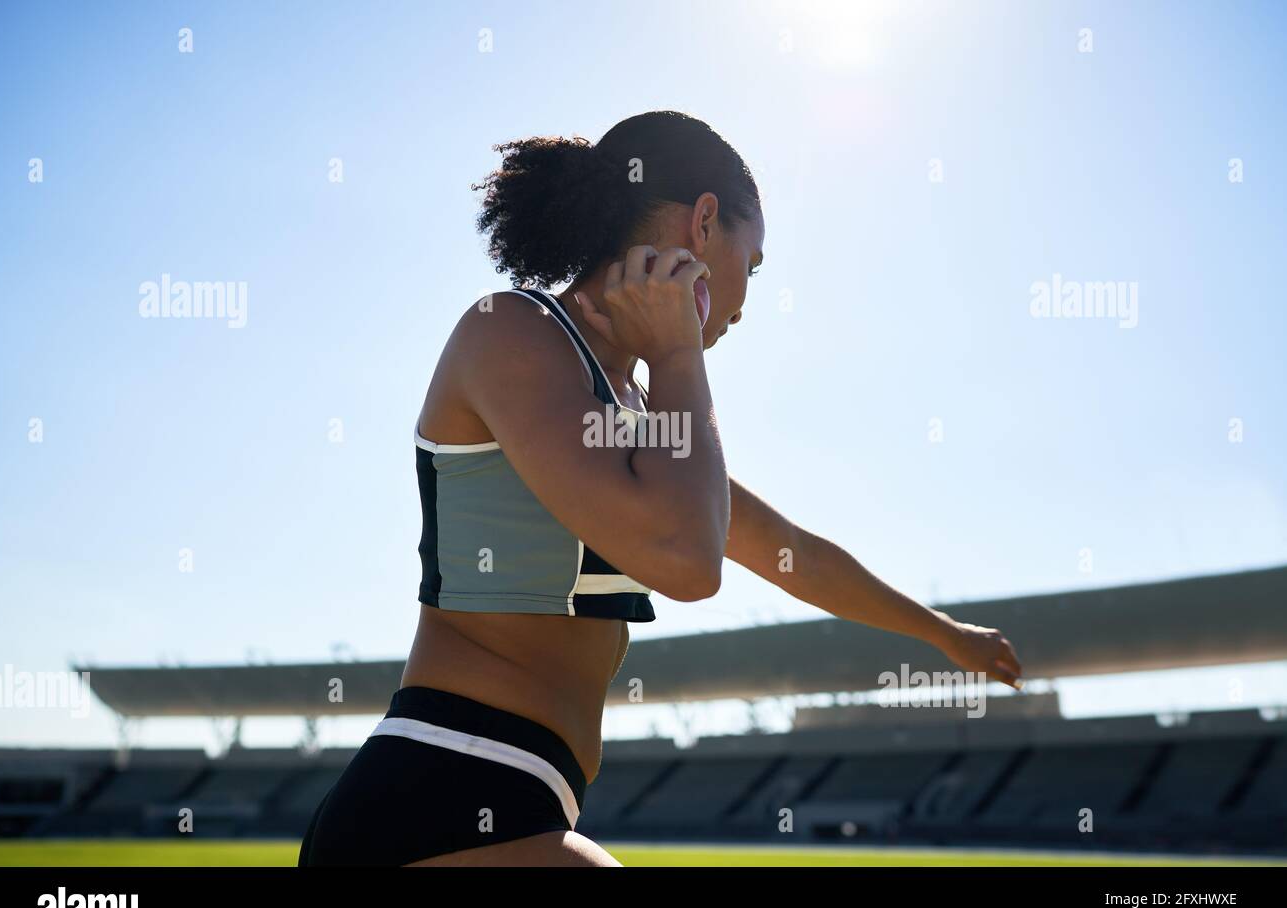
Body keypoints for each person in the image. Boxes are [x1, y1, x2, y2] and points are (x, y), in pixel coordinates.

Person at [298, 110, 1022, 867]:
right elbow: (687, 561)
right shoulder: (509, 330)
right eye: (756, 260)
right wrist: (678, 348)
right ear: (705, 223)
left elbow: (792, 553)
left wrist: (946, 635)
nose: (749, 293)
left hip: (531, 796)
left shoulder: (638, 416)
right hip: (431, 791)